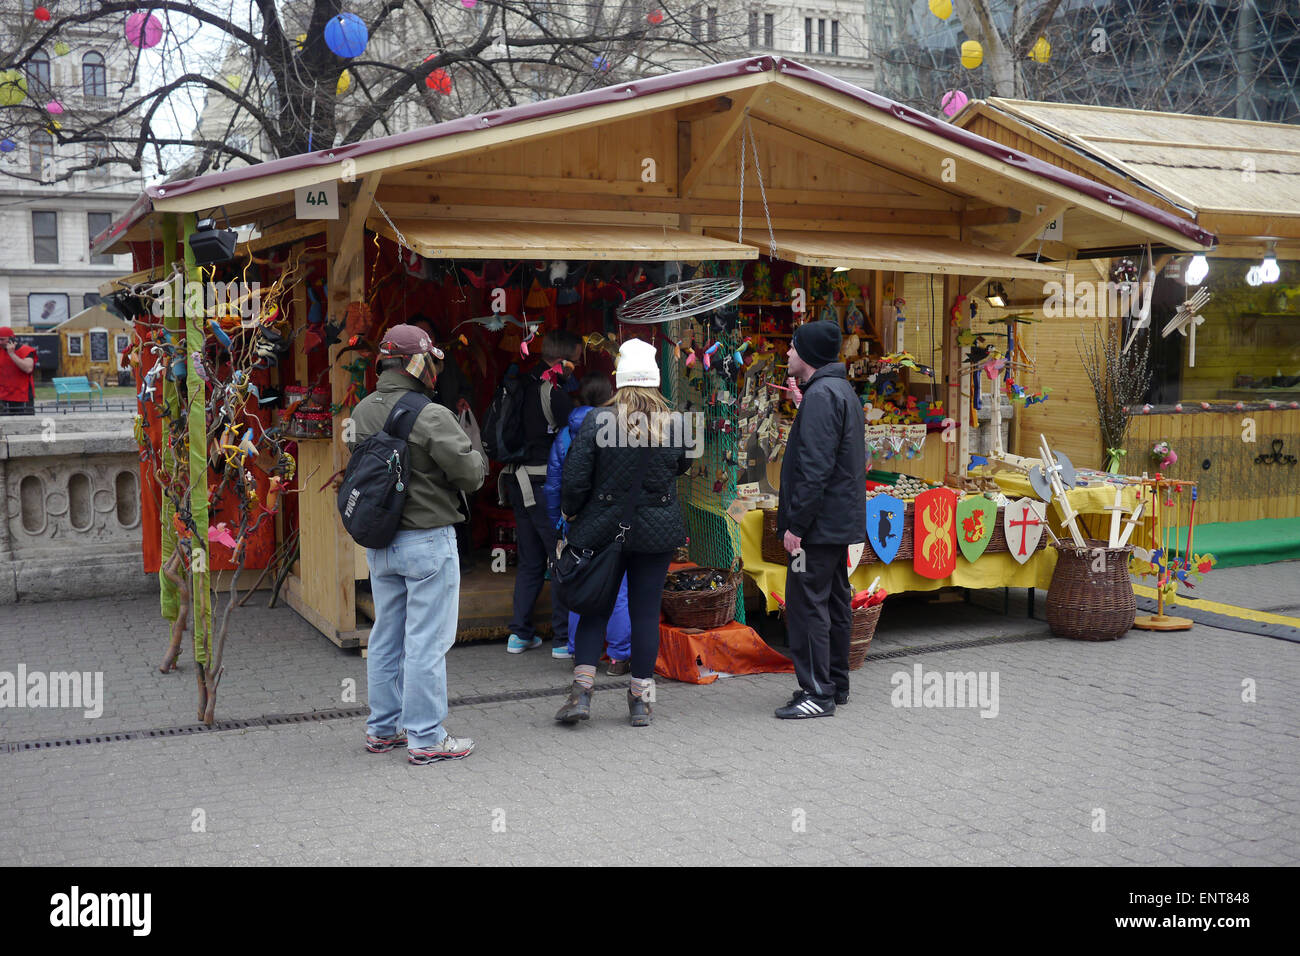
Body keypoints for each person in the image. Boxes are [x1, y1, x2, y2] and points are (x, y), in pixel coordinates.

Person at [346, 324, 488, 764]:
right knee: (427, 641)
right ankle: (426, 737)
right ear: (418, 364)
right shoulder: (432, 414)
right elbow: (471, 476)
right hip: (427, 541)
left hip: (381, 542)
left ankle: (382, 728)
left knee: (387, 635)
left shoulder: (361, 412)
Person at [555, 338, 691, 727]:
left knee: (593, 606)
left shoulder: (599, 420)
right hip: (657, 531)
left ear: (620, 378)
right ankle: (640, 700)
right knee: (645, 612)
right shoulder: (677, 422)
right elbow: (679, 467)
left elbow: (575, 479)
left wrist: (571, 512)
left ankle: (581, 694)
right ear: (655, 379)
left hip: (601, 529)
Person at [774, 318, 866, 720]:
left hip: (815, 528)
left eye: (793, 347)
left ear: (808, 355)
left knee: (806, 602)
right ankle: (835, 684)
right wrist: (804, 403)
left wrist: (796, 525)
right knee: (832, 600)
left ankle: (816, 692)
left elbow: (815, 468)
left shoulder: (822, 397)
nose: (788, 353)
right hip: (835, 523)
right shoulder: (836, 390)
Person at [500, 328, 583, 658]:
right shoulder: (554, 393)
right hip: (543, 485)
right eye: (575, 362)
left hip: (517, 483)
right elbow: (572, 442)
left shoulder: (520, 383)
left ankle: (519, 634)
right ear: (561, 360)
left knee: (531, 561)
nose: (576, 368)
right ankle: (563, 640)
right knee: (561, 557)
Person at [542, 372, 631, 676]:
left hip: (577, 520)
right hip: (612, 520)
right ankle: (619, 657)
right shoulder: (620, 429)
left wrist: (560, 519)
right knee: (617, 588)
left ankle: (578, 651)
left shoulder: (565, 434)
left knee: (580, 584)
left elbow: (554, 484)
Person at [408, 313, 476, 568]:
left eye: (429, 335)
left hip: (448, 435)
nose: (425, 340)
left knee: (457, 494)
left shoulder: (448, 362)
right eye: (419, 335)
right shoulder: (406, 366)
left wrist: (463, 398)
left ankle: (462, 556)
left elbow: (465, 387)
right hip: (418, 442)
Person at [0, 327, 38, 416]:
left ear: (11, 339)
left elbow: (28, 368)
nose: (0, 342)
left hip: (23, 396)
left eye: (2, 339)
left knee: (25, 425)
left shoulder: (26, 350)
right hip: (3, 396)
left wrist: (11, 354)